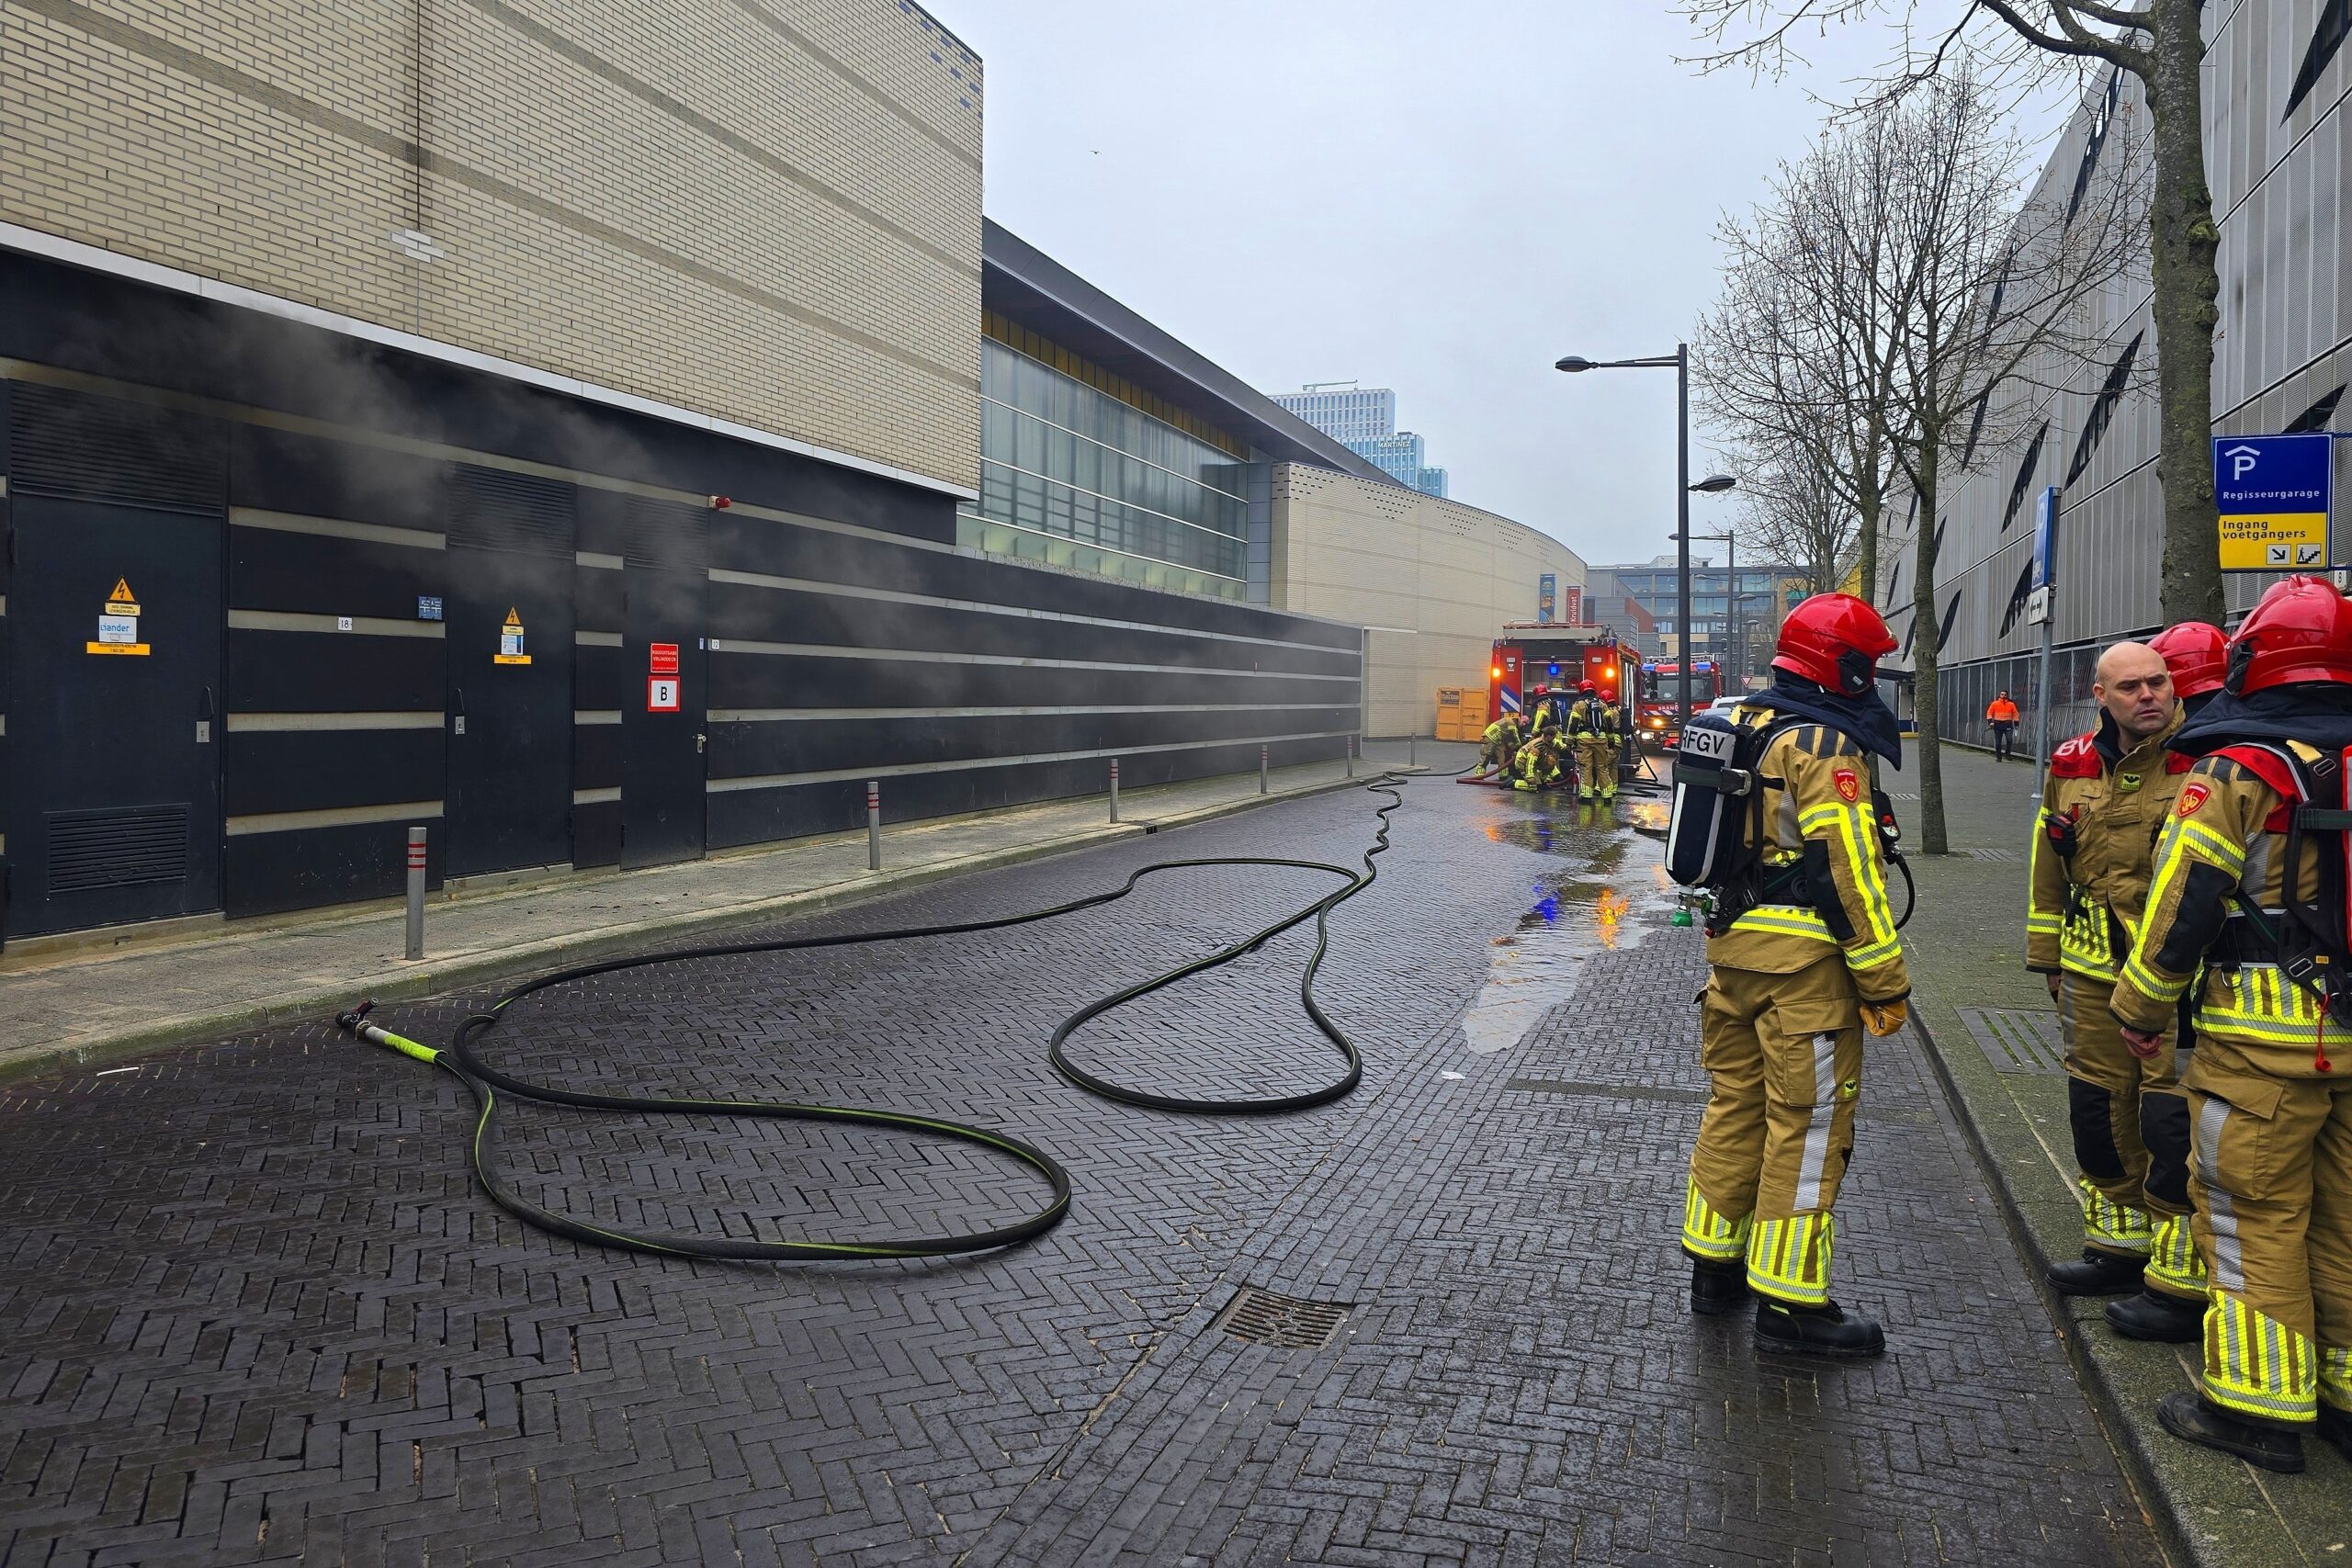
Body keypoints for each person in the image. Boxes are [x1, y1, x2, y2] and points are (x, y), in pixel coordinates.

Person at [2110, 577, 2352, 1473]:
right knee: (2343, 1215)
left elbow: (2184, 903)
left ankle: (2255, 1408)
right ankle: (2341, 1393)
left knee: (2254, 1217)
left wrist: (2139, 1011)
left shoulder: (2235, 771)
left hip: (2261, 1045)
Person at [1678, 592, 1910, 1358]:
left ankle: (1715, 1270)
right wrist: (1884, 980)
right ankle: (1791, 1305)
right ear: (1837, 664)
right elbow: (1849, 872)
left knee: (1735, 1105)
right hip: (1804, 969)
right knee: (1807, 1126)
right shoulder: (1822, 745)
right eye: (1864, 663)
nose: (1868, 677)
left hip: (1731, 951)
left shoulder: (1739, 721)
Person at [2024, 641, 2206, 1339]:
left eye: (2157, 681)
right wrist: (2047, 956)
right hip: (2091, 975)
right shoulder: (2071, 764)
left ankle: (2179, 1275)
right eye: (2129, 686)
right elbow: (2049, 864)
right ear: (2100, 695)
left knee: (2169, 1120)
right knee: (2098, 1110)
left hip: (2170, 986)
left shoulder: (2201, 760)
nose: (2148, 695)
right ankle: (2117, 1247)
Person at [1568, 679, 1623, 805]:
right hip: (1601, 739)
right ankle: (1607, 796)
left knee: (1586, 767)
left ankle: (1587, 797)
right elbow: (1609, 723)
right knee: (1602, 767)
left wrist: (1569, 741)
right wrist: (1611, 740)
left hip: (1584, 740)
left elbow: (1573, 724)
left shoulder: (1578, 705)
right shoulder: (1602, 704)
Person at [1513, 728, 1566, 792]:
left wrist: (1557, 774)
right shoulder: (1537, 747)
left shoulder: (1548, 742)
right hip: (1522, 762)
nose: (1554, 739)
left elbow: (1559, 745)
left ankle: (1540, 782)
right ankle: (1515, 783)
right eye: (1554, 737)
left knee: (1550, 761)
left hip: (1535, 762)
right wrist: (1531, 780)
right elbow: (1530, 764)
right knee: (1534, 788)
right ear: (1549, 736)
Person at [1477, 711, 1523, 780]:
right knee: (1486, 757)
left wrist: (1514, 748)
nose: (1524, 724)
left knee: (1502, 757)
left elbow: (1509, 740)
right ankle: (1479, 775)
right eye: (1524, 722)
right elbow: (1515, 736)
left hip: (1498, 741)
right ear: (1519, 719)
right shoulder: (1511, 723)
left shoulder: (1508, 723)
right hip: (1490, 738)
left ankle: (1503, 776)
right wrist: (1520, 747)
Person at [1987, 690, 2023, 760]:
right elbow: (1989, 712)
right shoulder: (1995, 703)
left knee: (2009, 740)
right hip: (1998, 724)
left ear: (2007, 696)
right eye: (2002, 694)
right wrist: (1990, 722)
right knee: (1998, 742)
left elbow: (2015, 714)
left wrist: (2016, 724)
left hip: (2008, 724)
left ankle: (2008, 754)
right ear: (1999, 695)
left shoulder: (2011, 704)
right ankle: (1998, 756)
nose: (2003, 696)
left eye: (2005, 695)